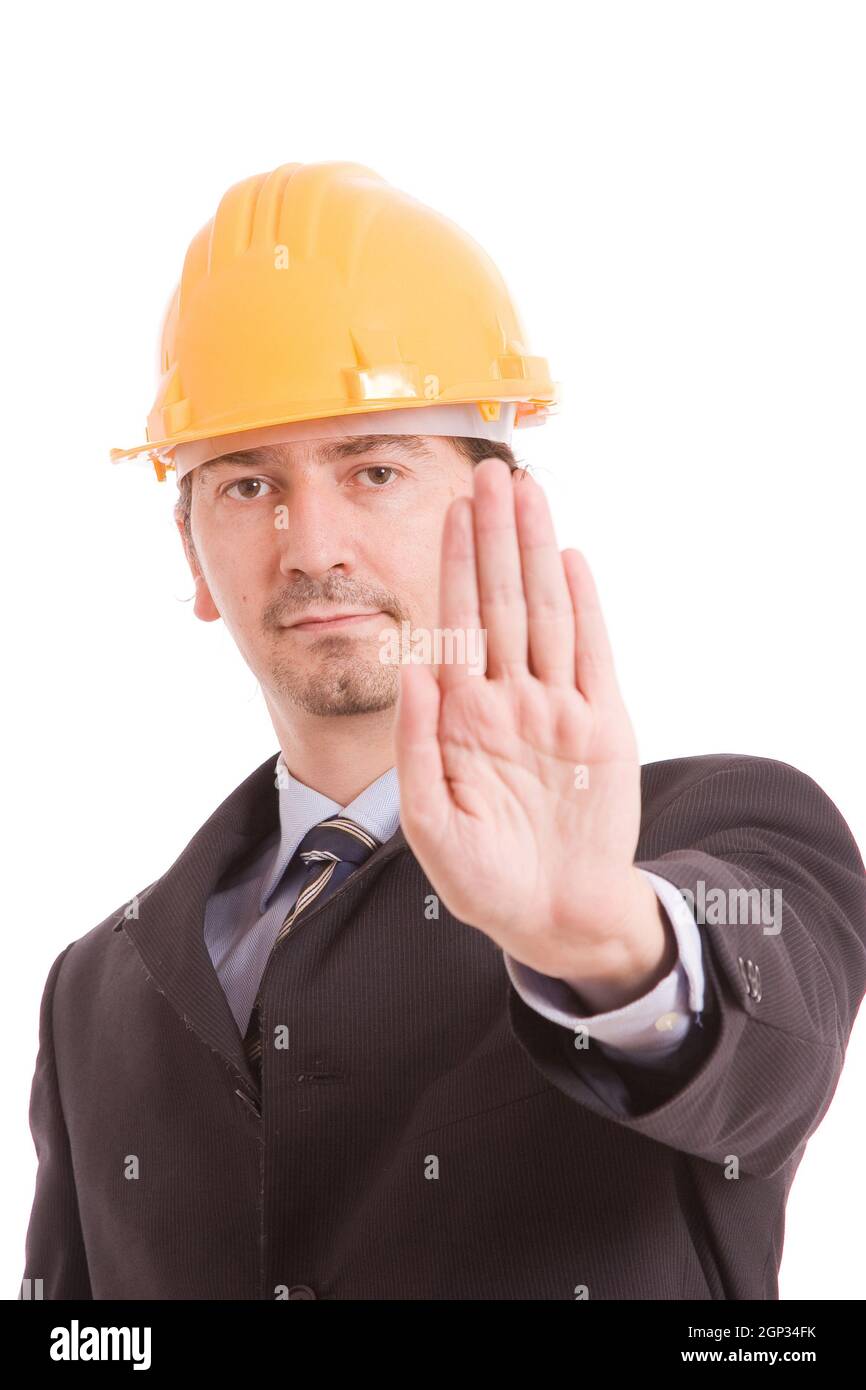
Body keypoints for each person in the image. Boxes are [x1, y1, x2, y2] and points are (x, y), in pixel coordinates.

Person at [21, 160, 866, 1300]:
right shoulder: (93, 991)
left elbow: (772, 1061)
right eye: (244, 484)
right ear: (192, 554)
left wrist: (602, 942)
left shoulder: (710, 833)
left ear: (493, 510)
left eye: (372, 468)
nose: (311, 542)